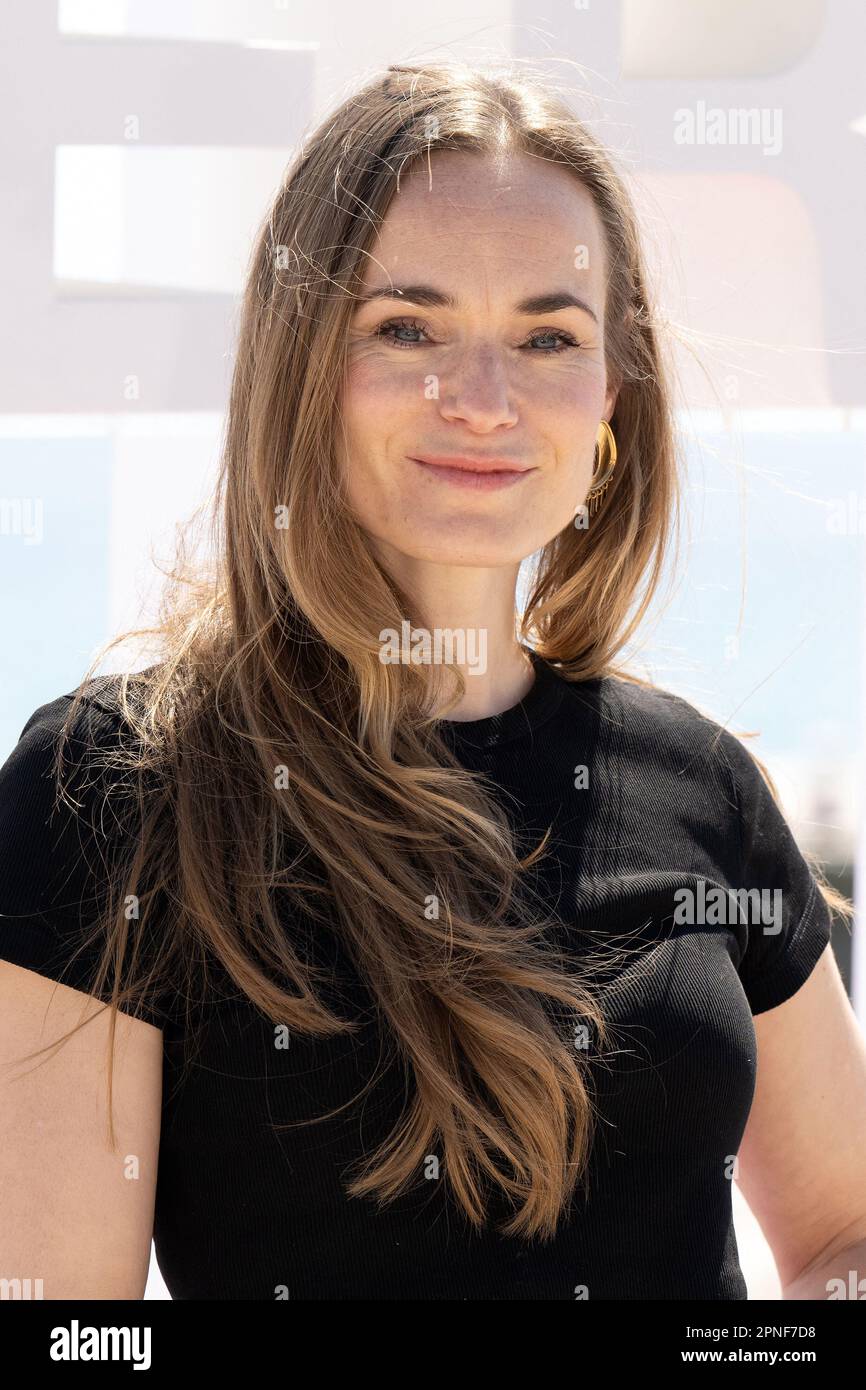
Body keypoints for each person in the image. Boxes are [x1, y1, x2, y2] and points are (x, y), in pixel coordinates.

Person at [1, 60, 864, 1302]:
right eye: (407, 326)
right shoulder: (110, 794)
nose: (481, 398)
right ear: (301, 370)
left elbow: (837, 1234)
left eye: (545, 334)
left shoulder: (703, 786)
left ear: (607, 396)